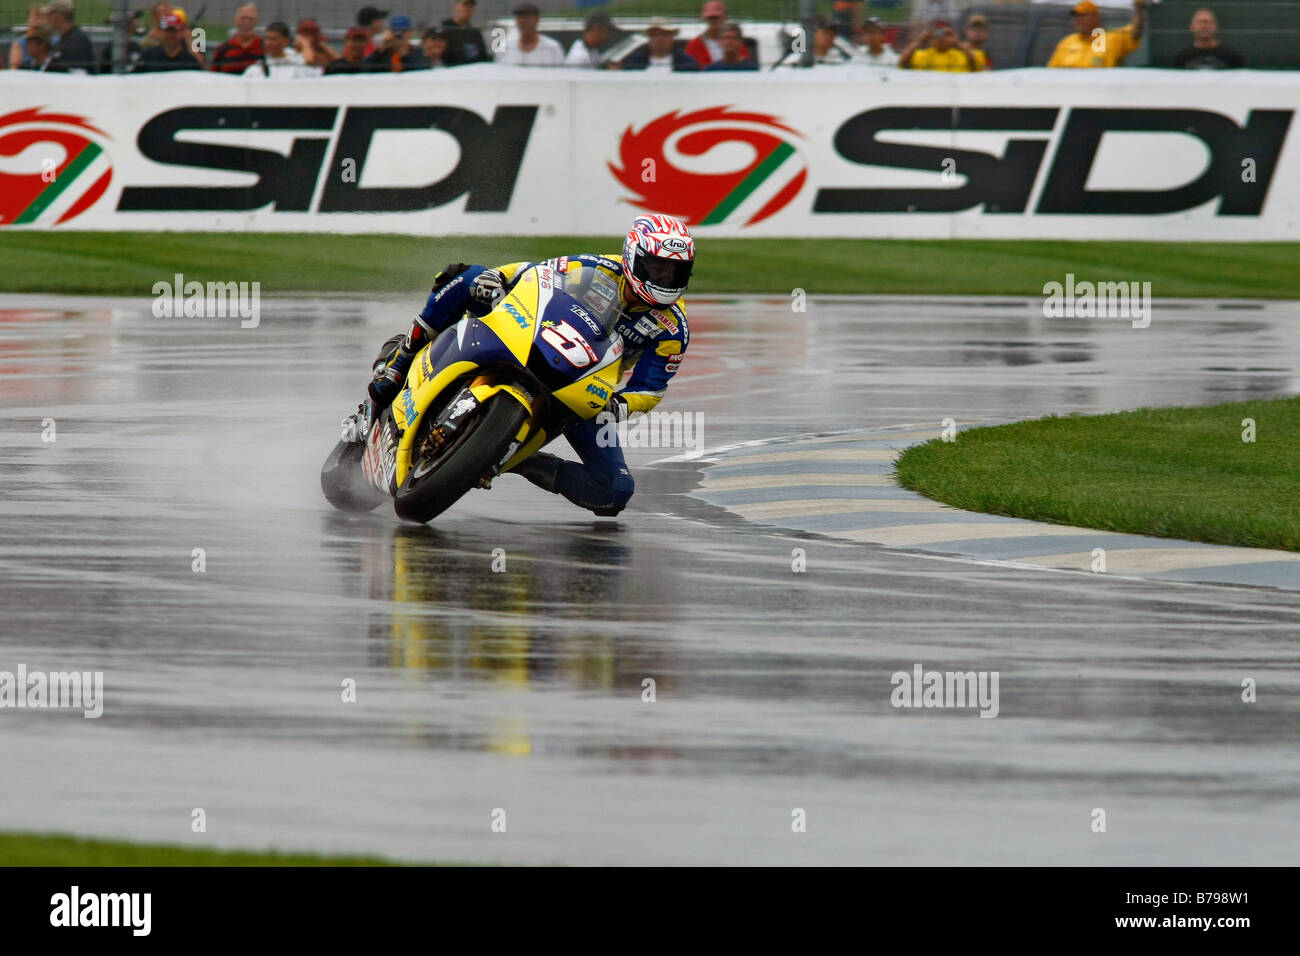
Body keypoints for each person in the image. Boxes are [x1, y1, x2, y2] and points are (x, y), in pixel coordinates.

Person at [354, 214, 695, 518]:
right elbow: (533, 274)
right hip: (530, 339)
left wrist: (619, 406)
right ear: (634, 258)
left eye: (675, 271)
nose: (666, 278)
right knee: (465, 276)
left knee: (614, 491)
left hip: (581, 388)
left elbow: (649, 389)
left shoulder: (673, 329)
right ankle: (403, 357)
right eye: (658, 267)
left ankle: (514, 459)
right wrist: (496, 280)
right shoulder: (597, 266)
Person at [1047, 0, 1146, 69]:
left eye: (1082, 16)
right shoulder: (1067, 42)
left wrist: (1138, 7)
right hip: (1072, 94)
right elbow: (1052, 73)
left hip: (1102, 94)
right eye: (1076, 16)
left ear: (1096, 17)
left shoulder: (1112, 38)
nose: (1077, 20)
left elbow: (1135, 32)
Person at [496, 4, 564, 66]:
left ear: (537, 20)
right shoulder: (504, 47)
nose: (523, 21)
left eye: (527, 17)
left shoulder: (553, 47)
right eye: (520, 17)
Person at [1174, 8, 1243, 69]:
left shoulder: (1231, 57)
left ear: (1216, 27)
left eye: (1208, 22)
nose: (1204, 26)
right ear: (1192, 27)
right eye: (1199, 22)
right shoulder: (1182, 58)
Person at [685, 1, 747, 67]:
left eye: (717, 17)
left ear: (724, 16)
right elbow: (688, 70)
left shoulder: (736, 43)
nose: (714, 20)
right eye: (711, 17)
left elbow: (746, 65)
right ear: (705, 18)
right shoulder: (693, 45)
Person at [620, 19, 698, 71]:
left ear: (672, 38)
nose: (659, 39)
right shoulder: (634, 61)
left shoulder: (686, 62)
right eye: (654, 35)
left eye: (664, 34)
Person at [131, 12, 200, 71]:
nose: (170, 35)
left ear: (182, 33)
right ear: (160, 32)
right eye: (167, 31)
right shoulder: (148, 57)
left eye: (174, 31)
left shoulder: (190, 61)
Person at [899, 20, 974, 71]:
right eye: (936, 33)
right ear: (930, 38)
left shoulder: (961, 55)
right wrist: (921, 40)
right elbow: (902, 63)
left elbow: (975, 66)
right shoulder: (921, 54)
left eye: (945, 34)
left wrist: (957, 42)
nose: (941, 38)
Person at [42, 0, 94, 72]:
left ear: (61, 15)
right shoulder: (64, 40)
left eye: (50, 14)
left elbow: (79, 74)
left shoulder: (77, 41)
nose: (47, 18)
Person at [210, 4, 263, 73]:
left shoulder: (264, 48)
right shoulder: (222, 49)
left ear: (256, 22)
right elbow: (213, 75)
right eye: (243, 18)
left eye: (251, 19)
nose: (247, 22)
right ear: (235, 21)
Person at [778, 19, 851, 66]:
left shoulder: (842, 58)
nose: (831, 36)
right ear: (812, 36)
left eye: (833, 33)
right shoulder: (796, 60)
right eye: (826, 32)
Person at [441, 0, 490, 64]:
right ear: (456, 7)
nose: (468, 9)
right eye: (465, 5)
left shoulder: (476, 33)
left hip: (476, 70)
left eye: (471, 6)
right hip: (455, 70)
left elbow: (484, 56)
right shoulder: (444, 29)